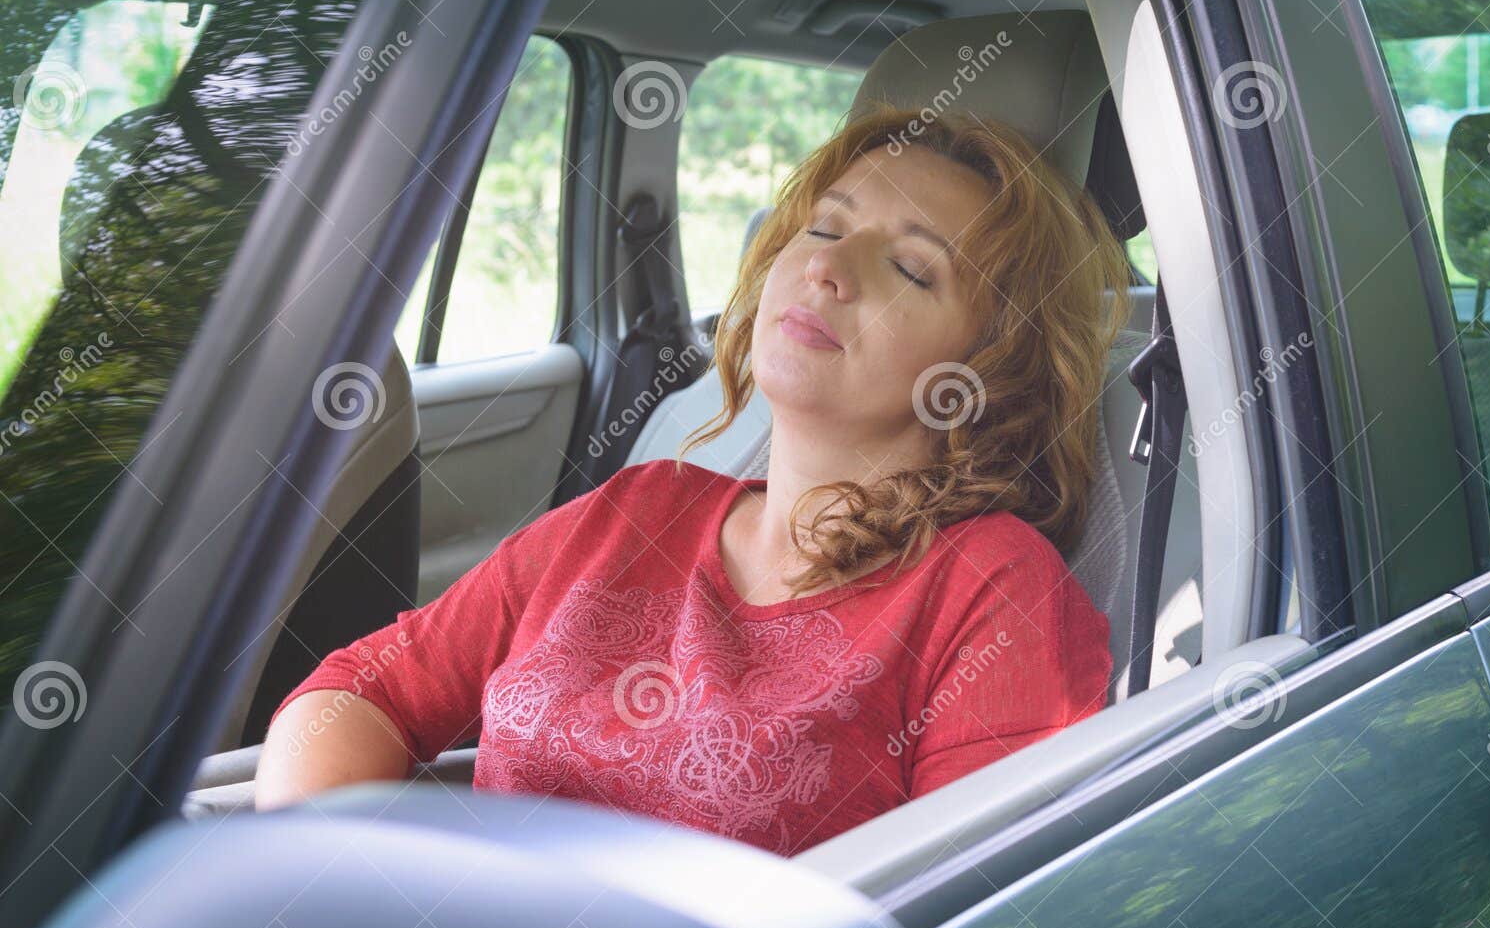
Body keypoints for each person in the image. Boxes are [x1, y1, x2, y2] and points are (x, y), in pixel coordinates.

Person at [255, 102, 1130, 857]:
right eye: (824, 228)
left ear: (990, 372)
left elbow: (979, 921)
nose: (825, 268)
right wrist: (333, 888)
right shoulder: (638, 508)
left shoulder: (991, 592)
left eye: (910, 268)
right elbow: (360, 692)